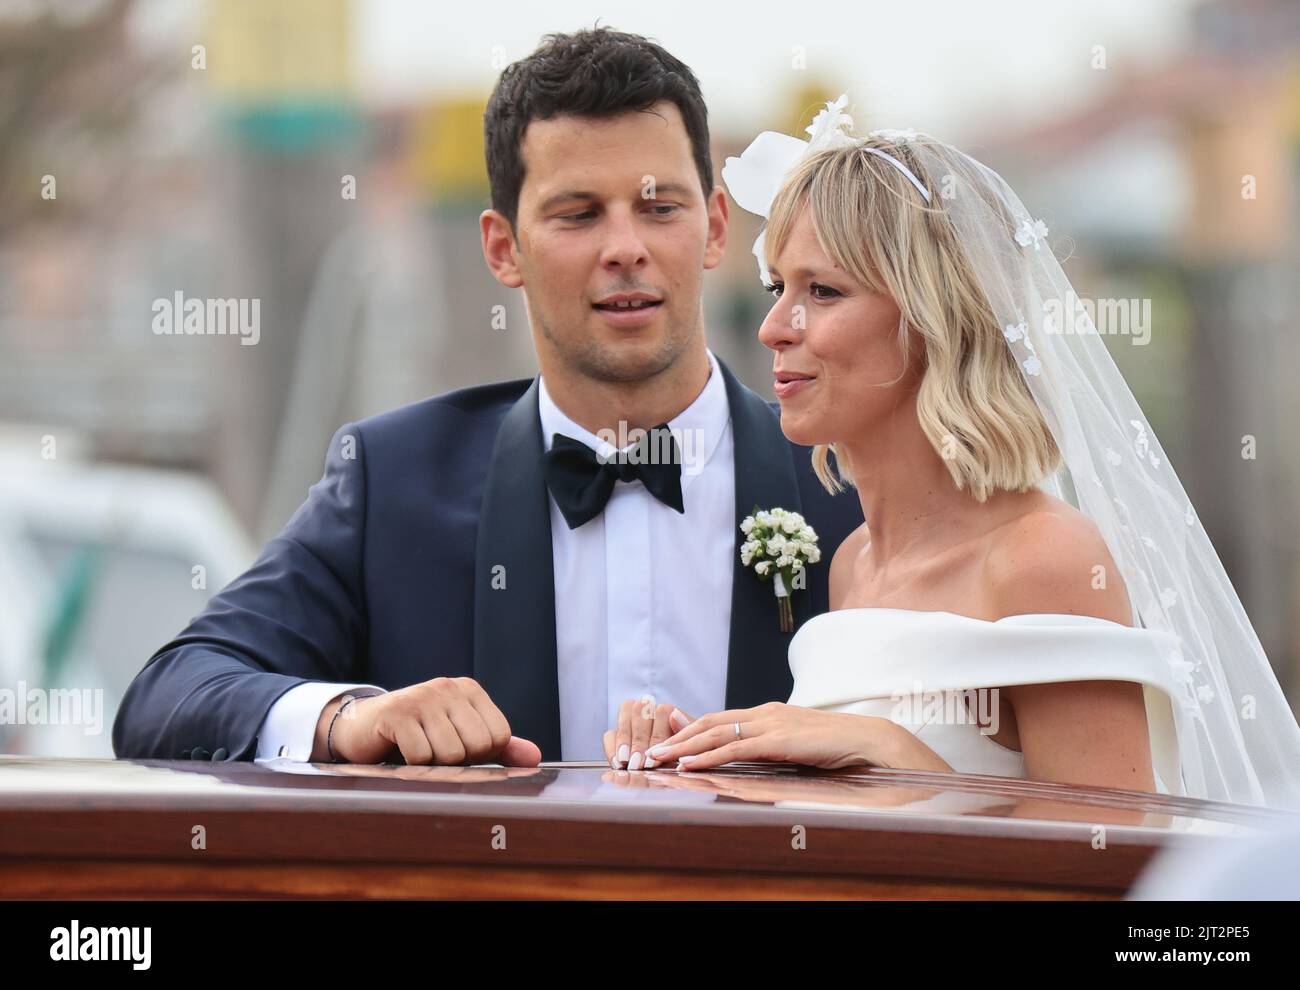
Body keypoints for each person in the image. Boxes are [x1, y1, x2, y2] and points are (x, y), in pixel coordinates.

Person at [109, 30, 864, 768]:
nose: (626, 247)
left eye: (660, 207)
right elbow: (168, 693)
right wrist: (351, 716)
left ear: (716, 229)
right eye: (578, 213)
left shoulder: (855, 479)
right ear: (503, 248)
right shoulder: (392, 481)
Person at [637, 96, 1300, 809]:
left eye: (822, 291)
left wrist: (904, 759)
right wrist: (690, 754)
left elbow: (1115, 864)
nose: (773, 327)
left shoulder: (1043, 558)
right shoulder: (853, 564)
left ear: (933, 322)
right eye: (778, 288)